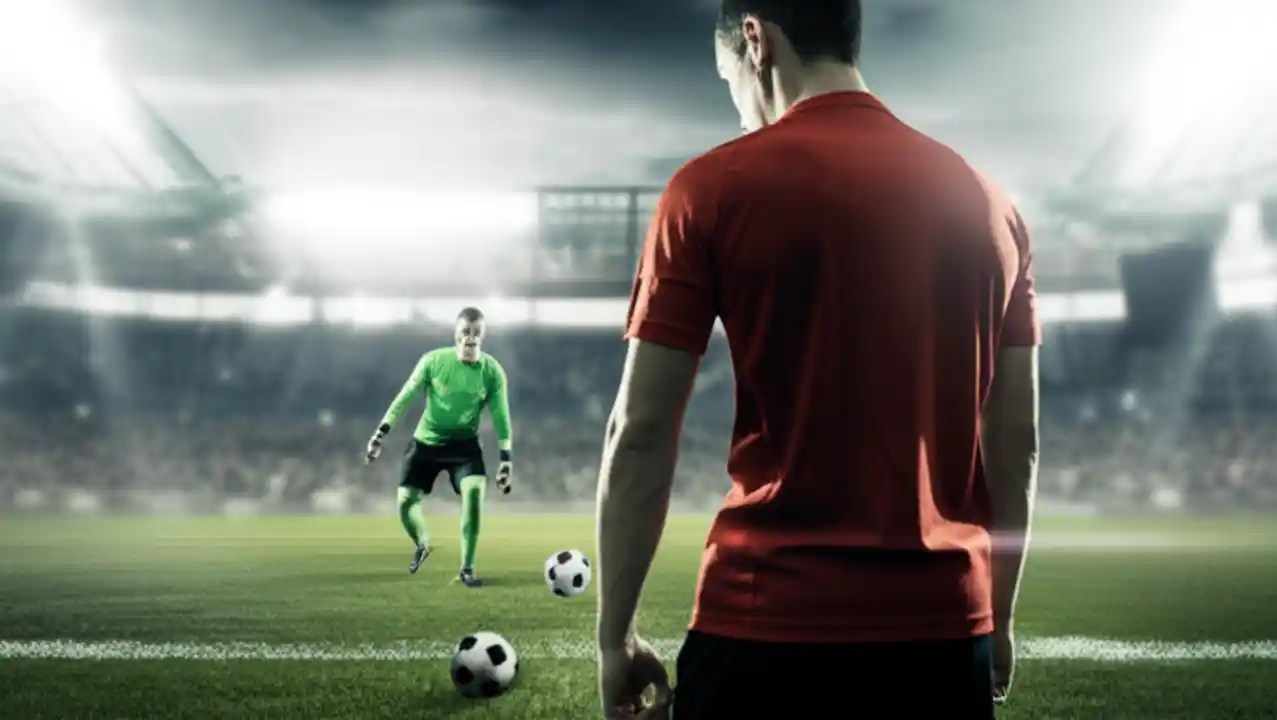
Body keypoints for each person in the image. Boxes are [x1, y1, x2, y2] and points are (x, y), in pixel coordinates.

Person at [593, 1, 1041, 717]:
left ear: (755, 41)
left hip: (763, 630)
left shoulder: (707, 191)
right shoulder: (993, 208)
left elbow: (639, 432)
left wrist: (614, 637)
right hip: (942, 641)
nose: (738, 108)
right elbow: (1015, 444)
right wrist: (1002, 620)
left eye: (727, 79)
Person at [365, 306, 514, 588]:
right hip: (426, 443)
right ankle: (422, 543)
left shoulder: (492, 372)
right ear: (455, 334)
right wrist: (380, 434)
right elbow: (405, 396)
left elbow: (501, 416)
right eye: (465, 332)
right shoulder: (433, 362)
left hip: (465, 447)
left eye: (476, 333)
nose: (470, 338)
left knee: (474, 496)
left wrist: (507, 459)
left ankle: (467, 568)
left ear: (483, 336)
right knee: (406, 501)